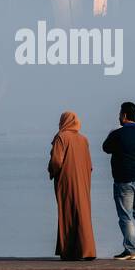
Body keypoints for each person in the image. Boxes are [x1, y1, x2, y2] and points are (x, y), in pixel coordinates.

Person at [103, 101, 135, 260]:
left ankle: (131, 249)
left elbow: (105, 148)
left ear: (124, 116)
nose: (118, 117)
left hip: (123, 179)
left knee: (125, 215)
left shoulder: (117, 133)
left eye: (120, 114)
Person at [48, 111, 96, 261]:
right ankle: (87, 250)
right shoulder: (83, 139)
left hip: (67, 180)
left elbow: (57, 161)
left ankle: (69, 251)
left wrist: (52, 171)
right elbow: (90, 165)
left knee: (67, 213)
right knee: (83, 212)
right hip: (83, 180)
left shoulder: (61, 137)